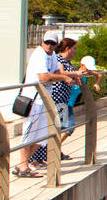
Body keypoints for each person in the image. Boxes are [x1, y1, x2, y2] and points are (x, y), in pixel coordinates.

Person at [15, 34, 78, 179]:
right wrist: (64, 77)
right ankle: (24, 166)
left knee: (42, 136)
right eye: (47, 42)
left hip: (45, 100)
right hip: (34, 100)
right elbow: (44, 77)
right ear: (42, 42)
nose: (49, 46)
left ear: (56, 45)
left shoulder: (52, 56)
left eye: (52, 43)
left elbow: (56, 72)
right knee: (29, 133)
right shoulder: (39, 55)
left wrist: (64, 76)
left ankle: (22, 164)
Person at [28, 38, 84, 167]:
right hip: (57, 98)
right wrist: (74, 74)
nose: (75, 51)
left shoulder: (65, 60)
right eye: (74, 48)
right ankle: (43, 155)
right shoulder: (58, 59)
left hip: (64, 99)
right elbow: (59, 73)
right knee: (61, 127)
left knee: (62, 127)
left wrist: (75, 77)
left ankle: (50, 152)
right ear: (67, 48)